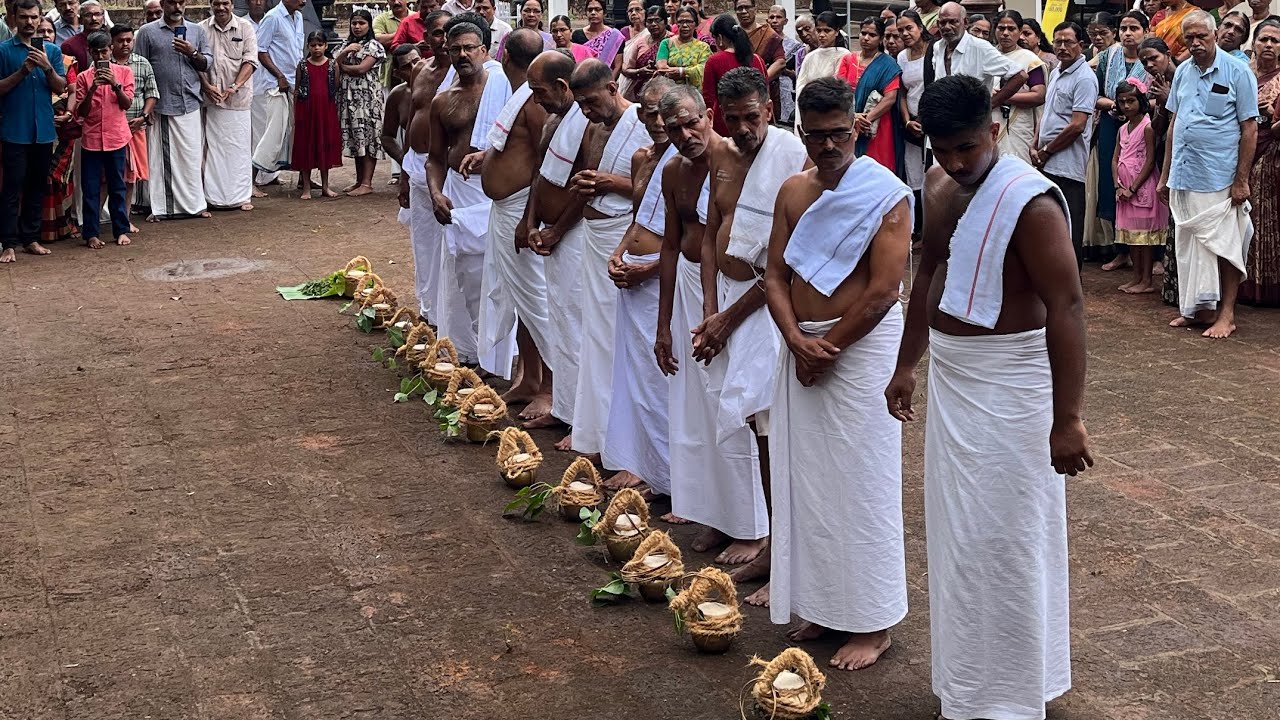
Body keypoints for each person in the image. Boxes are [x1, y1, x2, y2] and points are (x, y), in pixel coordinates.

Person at [887, 73, 1091, 720]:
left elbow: (1067, 307)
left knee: (1008, 539)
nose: (953, 162)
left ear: (996, 133)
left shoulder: (1031, 204)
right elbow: (928, 277)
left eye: (967, 149)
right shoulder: (942, 184)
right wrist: (906, 364)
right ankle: (971, 685)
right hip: (954, 381)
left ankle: (1012, 695)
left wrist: (1068, 420)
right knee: (959, 539)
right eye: (941, 149)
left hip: (1014, 387)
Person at [763, 75, 911, 672]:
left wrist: (827, 350)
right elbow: (772, 274)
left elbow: (882, 293)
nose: (828, 146)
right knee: (808, 479)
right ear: (802, 132)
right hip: (802, 343)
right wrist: (796, 339)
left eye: (837, 134)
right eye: (816, 136)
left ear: (857, 127)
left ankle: (873, 623)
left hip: (861, 348)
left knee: (862, 479)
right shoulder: (794, 191)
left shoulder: (887, 194)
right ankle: (823, 604)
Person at [700, 67, 810, 601]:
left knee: (774, 431)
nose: (744, 128)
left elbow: (786, 261)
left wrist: (728, 318)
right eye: (734, 119)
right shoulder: (720, 156)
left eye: (752, 116)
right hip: (729, 304)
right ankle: (771, 544)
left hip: (769, 312)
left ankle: (785, 554)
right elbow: (709, 232)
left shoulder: (792, 157)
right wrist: (710, 309)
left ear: (769, 107)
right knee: (755, 426)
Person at [654, 81, 769, 548]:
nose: (686, 134)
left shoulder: (740, 159)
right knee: (700, 410)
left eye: (691, 122)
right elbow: (676, 242)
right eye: (674, 128)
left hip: (739, 297)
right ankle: (721, 515)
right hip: (698, 293)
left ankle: (755, 529)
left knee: (741, 407)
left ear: (708, 115)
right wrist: (665, 324)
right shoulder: (674, 171)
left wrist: (719, 310)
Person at [458, 28, 554, 417]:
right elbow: (519, 150)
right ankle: (529, 378)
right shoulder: (519, 95)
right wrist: (488, 157)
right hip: (505, 210)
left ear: (503, 55)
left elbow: (544, 162)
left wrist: (528, 218)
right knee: (517, 300)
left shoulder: (535, 101)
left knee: (536, 300)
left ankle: (551, 389)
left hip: (521, 213)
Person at [564, 58, 650, 463]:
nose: (587, 111)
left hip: (623, 237)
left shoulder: (642, 121)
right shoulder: (593, 126)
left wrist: (608, 182)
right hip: (594, 236)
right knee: (594, 335)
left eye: (592, 101)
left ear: (614, 88)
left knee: (619, 340)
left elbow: (661, 187)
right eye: (580, 104)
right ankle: (596, 434)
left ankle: (625, 447)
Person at [1158, 10, 1259, 339]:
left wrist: (1241, 179)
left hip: (1220, 177)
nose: (1196, 42)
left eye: (1202, 36)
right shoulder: (1183, 71)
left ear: (1215, 35)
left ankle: (1226, 315)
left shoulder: (1238, 72)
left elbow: (1250, 128)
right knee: (1188, 246)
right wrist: (1164, 175)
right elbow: (1174, 125)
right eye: (1190, 38)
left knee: (1225, 245)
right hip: (1185, 175)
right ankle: (1196, 310)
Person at [600, 76, 677, 495]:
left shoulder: (690, 163)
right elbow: (639, 219)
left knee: (662, 376)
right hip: (632, 273)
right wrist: (618, 253)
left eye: (665, 113)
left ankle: (673, 476)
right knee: (635, 376)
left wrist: (647, 270)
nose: (657, 121)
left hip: (661, 280)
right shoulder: (643, 158)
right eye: (649, 113)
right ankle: (644, 465)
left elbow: (687, 236)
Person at [428, 14, 513, 372]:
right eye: (456, 49)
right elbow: (434, 158)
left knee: (501, 280)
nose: (463, 55)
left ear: (484, 50)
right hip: (458, 196)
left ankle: (504, 358)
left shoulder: (507, 89)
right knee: (467, 279)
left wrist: (491, 160)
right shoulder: (442, 101)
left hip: (497, 192)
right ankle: (472, 351)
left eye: (469, 48)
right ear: (447, 52)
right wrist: (435, 193)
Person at [523, 50, 588, 445]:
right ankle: (563, 407)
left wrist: (559, 230)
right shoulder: (553, 119)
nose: (536, 99)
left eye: (540, 91)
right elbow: (540, 174)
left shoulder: (587, 122)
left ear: (563, 87)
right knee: (559, 321)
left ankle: (582, 418)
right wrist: (529, 221)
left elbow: (585, 187)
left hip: (574, 236)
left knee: (578, 325)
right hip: (549, 234)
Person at [0, 0, 67, 264]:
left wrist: (46, 67)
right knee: (11, 188)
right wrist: (24, 70)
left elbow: (61, 87)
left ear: (41, 19)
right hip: (14, 130)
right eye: (24, 17)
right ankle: (8, 243)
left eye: (34, 17)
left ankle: (31, 239)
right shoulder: (4, 51)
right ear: (14, 18)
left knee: (36, 187)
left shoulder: (51, 51)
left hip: (44, 131)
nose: (30, 22)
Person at [134, 0, 212, 221]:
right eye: (171, 2)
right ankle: (161, 208)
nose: (176, 7)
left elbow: (207, 63)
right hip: (161, 105)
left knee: (191, 156)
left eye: (181, 2)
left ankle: (195, 205)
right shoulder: (147, 32)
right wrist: (143, 105)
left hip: (190, 102)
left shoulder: (197, 31)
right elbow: (139, 67)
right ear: (163, 4)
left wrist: (192, 51)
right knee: (161, 158)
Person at [1032, 22, 1098, 268]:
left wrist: (1046, 150)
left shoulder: (1084, 78)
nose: (1061, 47)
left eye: (1068, 42)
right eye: (1057, 42)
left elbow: (1077, 125)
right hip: (1047, 162)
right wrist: (1035, 143)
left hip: (1067, 166)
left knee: (1069, 229)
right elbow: (1048, 113)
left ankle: (1072, 287)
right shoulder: (1057, 70)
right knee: (1050, 226)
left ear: (1081, 45)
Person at [1092, 10, 1151, 268]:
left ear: (1146, 32)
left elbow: (1160, 93)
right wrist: (1114, 105)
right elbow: (1093, 94)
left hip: (1145, 125)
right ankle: (1121, 251)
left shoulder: (1151, 57)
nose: (1128, 33)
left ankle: (1153, 254)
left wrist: (1137, 108)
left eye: (1134, 28)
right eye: (1124, 28)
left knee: (1146, 185)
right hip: (1111, 124)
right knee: (1112, 182)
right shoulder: (1107, 57)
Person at [71, 29, 132, 248]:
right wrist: (93, 88)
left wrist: (115, 84)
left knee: (117, 185)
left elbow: (127, 104)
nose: (100, 57)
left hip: (116, 137)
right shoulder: (83, 78)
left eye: (104, 52)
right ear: (90, 53)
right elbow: (82, 112)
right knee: (91, 187)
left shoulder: (124, 72)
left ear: (110, 50)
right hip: (92, 140)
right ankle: (91, 233)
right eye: (95, 53)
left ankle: (121, 230)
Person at [200, 0, 257, 212]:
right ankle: (211, 197)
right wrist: (206, 86)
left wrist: (234, 86)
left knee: (239, 149)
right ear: (210, 5)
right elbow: (196, 62)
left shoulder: (245, 27)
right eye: (217, 3)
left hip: (238, 100)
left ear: (232, 4)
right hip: (211, 100)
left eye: (225, 3)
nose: (221, 8)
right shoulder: (201, 28)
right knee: (212, 149)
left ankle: (241, 196)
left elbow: (250, 61)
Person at [1111, 77, 1167, 295]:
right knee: (1132, 237)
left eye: (1131, 101)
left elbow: (1150, 160)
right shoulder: (1122, 128)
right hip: (1123, 189)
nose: (1126, 106)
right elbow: (1115, 157)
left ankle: (1146, 279)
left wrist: (1132, 188)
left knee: (1145, 238)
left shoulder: (1147, 127)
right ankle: (1136, 277)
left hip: (1141, 189)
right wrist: (1117, 184)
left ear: (1141, 101)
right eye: (1122, 101)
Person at [1239, 18, 1280, 306]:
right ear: (1253, 43)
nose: (1268, 45)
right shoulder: (1241, 73)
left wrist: (1270, 114)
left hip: (1271, 156)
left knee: (1267, 220)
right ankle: (1244, 283)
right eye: (1263, 39)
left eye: (1275, 41)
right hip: (1238, 152)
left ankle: (1268, 286)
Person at [1139, 35, 1182, 305]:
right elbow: (1157, 126)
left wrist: (1169, 98)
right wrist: (1162, 104)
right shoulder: (1157, 83)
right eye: (1144, 62)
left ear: (1167, 54)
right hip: (1167, 149)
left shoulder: (1183, 77)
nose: (1150, 65)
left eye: (1153, 58)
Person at [252, 0, 305, 188]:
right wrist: (279, 75)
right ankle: (251, 182)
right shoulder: (272, 18)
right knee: (274, 133)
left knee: (296, 132)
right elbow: (259, 51)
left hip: (294, 83)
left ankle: (302, 179)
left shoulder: (297, 17)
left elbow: (297, 52)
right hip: (276, 84)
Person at [934, 2, 1027, 108]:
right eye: (943, 22)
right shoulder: (938, 47)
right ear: (937, 24)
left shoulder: (981, 48)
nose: (947, 27)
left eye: (953, 22)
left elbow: (1020, 76)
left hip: (973, 121)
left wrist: (991, 104)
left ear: (965, 23)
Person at [336, 8, 386, 197]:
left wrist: (342, 65)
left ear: (369, 25)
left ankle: (367, 182)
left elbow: (361, 69)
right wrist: (345, 53)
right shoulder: (345, 44)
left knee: (368, 137)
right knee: (356, 139)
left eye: (362, 23)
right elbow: (333, 64)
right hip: (348, 98)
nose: (357, 27)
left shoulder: (374, 46)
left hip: (367, 98)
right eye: (354, 23)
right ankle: (358, 180)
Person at [39, 13, 80, 244]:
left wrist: (67, 114)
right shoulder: (24, 58)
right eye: (40, 32)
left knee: (60, 178)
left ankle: (62, 226)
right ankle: (38, 229)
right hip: (37, 126)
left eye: (49, 31)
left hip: (63, 128)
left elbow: (71, 90)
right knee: (38, 177)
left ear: (55, 35)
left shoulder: (65, 60)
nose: (45, 35)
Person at [841, 17, 900, 173]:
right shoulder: (848, 59)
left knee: (876, 169)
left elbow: (890, 98)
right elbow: (838, 90)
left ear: (880, 39)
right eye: (863, 33)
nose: (866, 38)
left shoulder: (888, 64)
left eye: (872, 35)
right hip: (850, 121)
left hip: (876, 125)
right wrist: (853, 116)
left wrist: (866, 118)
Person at [110, 23, 156, 219]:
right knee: (108, 177)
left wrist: (143, 117)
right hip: (111, 130)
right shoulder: (102, 64)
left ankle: (124, 219)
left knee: (130, 178)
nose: (125, 44)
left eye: (129, 40)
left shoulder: (142, 63)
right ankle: (100, 220)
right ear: (112, 43)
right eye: (120, 41)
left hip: (135, 128)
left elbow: (151, 94)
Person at [991, 10, 1045, 164]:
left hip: (1018, 125)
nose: (1005, 33)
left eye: (1011, 29)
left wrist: (1002, 97)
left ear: (1020, 31)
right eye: (1001, 28)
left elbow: (1038, 95)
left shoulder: (1029, 60)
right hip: (989, 123)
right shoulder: (988, 56)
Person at [292, 30, 341, 199]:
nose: (317, 48)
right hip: (306, 110)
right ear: (308, 47)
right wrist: (295, 113)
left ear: (326, 46)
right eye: (313, 45)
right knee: (306, 147)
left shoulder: (332, 65)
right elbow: (297, 89)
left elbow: (334, 86)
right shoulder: (303, 66)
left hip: (325, 111)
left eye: (320, 45)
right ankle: (306, 187)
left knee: (324, 146)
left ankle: (325, 186)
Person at [703, 14, 766, 136]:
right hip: (755, 120)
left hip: (725, 122)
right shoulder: (757, 59)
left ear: (720, 37)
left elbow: (708, 98)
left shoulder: (714, 61)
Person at [897, 10, 931, 213]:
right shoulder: (902, 56)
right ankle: (916, 226)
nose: (905, 33)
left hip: (932, 122)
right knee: (914, 175)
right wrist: (907, 121)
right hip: (911, 124)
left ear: (920, 27)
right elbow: (902, 93)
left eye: (909, 28)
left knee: (932, 173)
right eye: (901, 30)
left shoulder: (935, 51)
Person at [734, 0, 783, 110]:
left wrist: (759, 80)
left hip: (762, 91)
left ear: (755, 9)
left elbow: (780, 62)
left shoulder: (768, 34)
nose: (744, 11)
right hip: (735, 90)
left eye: (747, 7)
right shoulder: (732, 34)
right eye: (740, 8)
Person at [794, 10, 847, 101]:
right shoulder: (810, 57)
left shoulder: (844, 55)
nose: (822, 35)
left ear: (837, 31)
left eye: (827, 31)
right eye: (819, 30)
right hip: (810, 108)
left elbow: (840, 87)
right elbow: (800, 87)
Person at [656, 6, 710, 91]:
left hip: (694, 95)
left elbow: (704, 70)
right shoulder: (666, 43)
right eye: (681, 22)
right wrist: (689, 70)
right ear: (676, 24)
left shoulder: (703, 47)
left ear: (695, 24)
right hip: (671, 92)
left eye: (689, 21)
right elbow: (662, 68)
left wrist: (682, 71)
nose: (684, 25)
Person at [622, 4, 665, 101]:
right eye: (650, 21)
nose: (653, 24)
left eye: (657, 20)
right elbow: (627, 69)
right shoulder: (641, 41)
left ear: (665, 22)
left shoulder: (672, 41)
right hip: (640, 94)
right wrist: (639, 71)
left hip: (666, 93)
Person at [769, 4, 803, 125]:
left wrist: (786, 72)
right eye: (771, 17)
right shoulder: (762, 42)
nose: (774, 20)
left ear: (785, 21)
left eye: (778, 17)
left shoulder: (796, 46)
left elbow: (800, 75)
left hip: (786, 92)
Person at [573, 0, 626, 76]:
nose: (593, 13)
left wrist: (607, 83)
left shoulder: (614, 36)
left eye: (597, 9)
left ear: (604, 13)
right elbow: (575, 61)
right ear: (586, 13)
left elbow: (618, 66)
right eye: (590, 10)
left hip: (607, 80)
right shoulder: (577, 35)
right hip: (583, 81)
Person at [59, 0, 104, 73]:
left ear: (103, 17)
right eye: (88, 15)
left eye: (97, 14)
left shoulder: (111, 40)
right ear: (81, 20)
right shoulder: (68, 45)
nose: (94, 19)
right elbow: (66, 73)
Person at [618, 0, 650, 98]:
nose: (634, 13)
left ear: (645, 11)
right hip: (624, 77)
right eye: (630, 11)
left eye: (638, 10)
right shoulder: (623, 32)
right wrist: (627, 71)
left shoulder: (651, 32)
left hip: (644, 80)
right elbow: (619, 59)